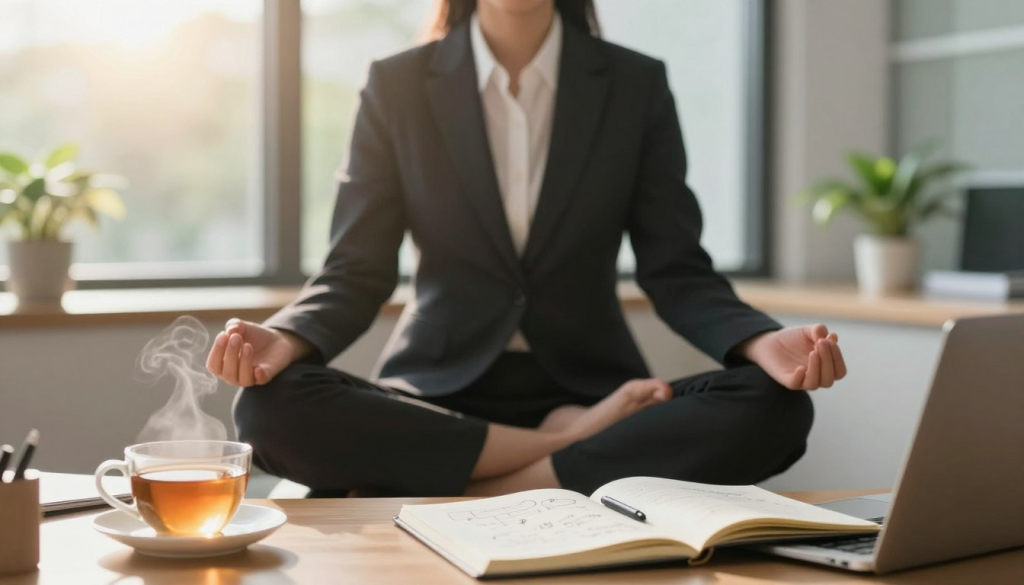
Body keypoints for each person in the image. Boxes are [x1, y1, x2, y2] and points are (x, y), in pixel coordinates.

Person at [208, 0, 846, 498]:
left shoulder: (635, 84)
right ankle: (564, 454)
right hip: (437, 398)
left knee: (774, 408)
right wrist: (286, 338)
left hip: (592, 385)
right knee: (268, 408)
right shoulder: (397, 84)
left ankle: (482, 486)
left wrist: (760, 341)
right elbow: (356, 269)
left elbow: (677, 270)